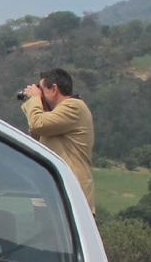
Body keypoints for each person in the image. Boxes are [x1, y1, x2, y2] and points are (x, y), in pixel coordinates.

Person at [19, 67, 95, 211]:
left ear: (54, 89)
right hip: (57, 194)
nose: (40, 95)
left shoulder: (74, 106)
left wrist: (34, 99)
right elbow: (36, 135)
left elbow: (37, 124)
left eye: (42, 90)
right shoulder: (57, 116)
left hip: (72, 196)